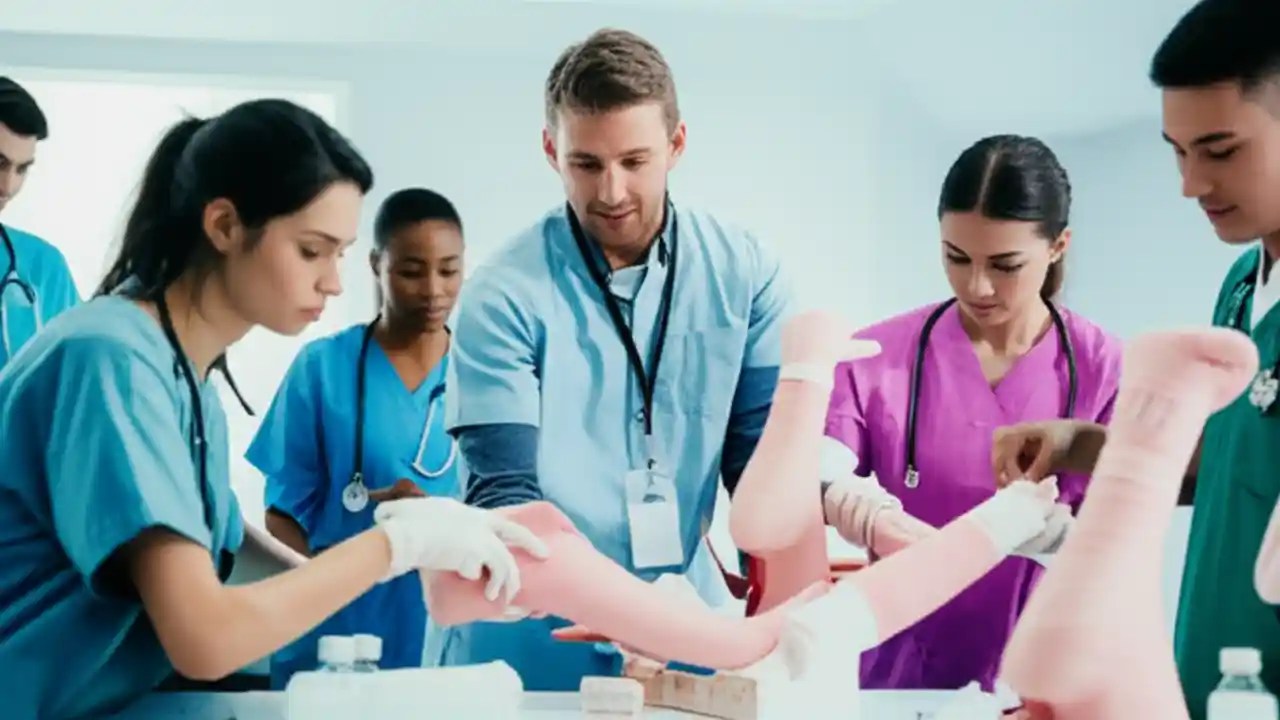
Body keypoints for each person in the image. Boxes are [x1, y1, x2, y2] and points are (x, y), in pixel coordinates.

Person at [0, 99, 545, 719]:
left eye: (339, 254)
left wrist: (429, 554)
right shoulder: (112, 362)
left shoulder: (189, 378)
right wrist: (395, 546)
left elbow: (228, 551)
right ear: (226, 226)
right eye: (312, 251)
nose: (334, 283)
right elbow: (204, 638)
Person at [438, 27, 791, 690]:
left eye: (635, 160)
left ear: (677, 145)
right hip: (530, 638)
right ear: (551, 150)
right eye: (586, 164)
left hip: (688, 626)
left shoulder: (745, 274)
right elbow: (504, 494)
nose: (611, 191)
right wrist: (616, 608)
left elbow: (756, 468)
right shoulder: (503, 290)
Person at [993, 3, 1280, 717]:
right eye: (1177, 151)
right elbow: (1236, 460)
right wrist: (1083, 445)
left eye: (1219, 151)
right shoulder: (1243, 287)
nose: (1189, 184)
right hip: (1213, 673)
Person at [822, 134, 1123, 692]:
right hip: (900, 680)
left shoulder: (1101, 365)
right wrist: (852, 506)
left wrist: (1064, 539)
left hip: (1045, 678)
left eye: (1005, 264)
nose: (976, 286)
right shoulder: (879, 355)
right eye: (955, 257)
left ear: (1058, 246)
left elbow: (1130, 522)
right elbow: (817, 469)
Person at [245, 187, 467, 687]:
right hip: (337, 633)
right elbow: (283, 513)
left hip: (445, 628)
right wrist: (318, 590)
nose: (433, 289)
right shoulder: (323, 368)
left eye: (449, 270)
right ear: (375, 264)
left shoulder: (486, 374)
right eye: (411, 271)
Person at [0, 76, 80, 366]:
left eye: (21, 169)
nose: (8, 186)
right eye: (0, 164)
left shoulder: (43, 268)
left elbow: (75, 374)